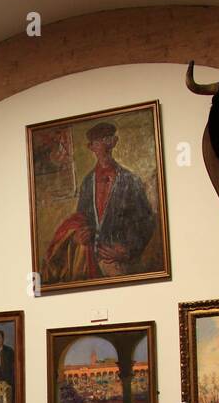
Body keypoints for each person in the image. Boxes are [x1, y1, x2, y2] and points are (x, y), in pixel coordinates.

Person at [42, 121, 157, 284]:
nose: (104, 145)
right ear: (91, 147)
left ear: (114, 142)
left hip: (120, 263)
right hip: (90, 261)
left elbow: (147, 221)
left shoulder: (131, 180)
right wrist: (78, 236)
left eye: (107, 139)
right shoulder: (88, 183)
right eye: (98, 141)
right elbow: (80, 219)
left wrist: (127, 251)